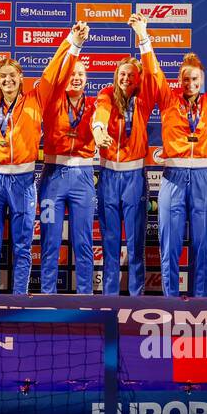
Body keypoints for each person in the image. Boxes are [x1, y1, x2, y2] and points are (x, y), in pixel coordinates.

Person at [0, 22, 84, 295]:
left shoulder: (36, 98)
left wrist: (74, 41)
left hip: (23, 180)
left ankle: (20, 296)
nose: (7, 80)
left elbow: (55, 71)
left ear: (21, 78)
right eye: (2, 77)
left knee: (23, 244)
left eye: (12, 76)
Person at [129, 13, 207, 299]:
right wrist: (143, 35)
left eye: (195, 79)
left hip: (203, 177)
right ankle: (171, 301)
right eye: (185, 79)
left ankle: (201, 302)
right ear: (179, 80)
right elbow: (153, 70)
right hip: (172, 176)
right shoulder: (169, 99)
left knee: (204, 244)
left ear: (202, 80)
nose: (190, 83)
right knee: (170, 243)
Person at [38, 36, 97, 293]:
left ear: (87, 79)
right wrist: (74, 46)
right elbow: (57, 72)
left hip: (83, 176)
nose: (76, 77)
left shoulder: (96, 105)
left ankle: (85, 298)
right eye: (72, 73)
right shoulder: (52, 100)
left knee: (82, 241)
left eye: (81, 74)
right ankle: (47, 296)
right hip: (53, 176)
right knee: (50, 240)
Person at [92, 59, 154, 295]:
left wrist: (143, 35)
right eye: (122, 74)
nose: (126, 79)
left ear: (138, 79)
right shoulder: (107, 94)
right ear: (116, 75)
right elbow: (101, 112)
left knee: (136, 244)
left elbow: (151, 72)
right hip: (108, 176)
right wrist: (98, 131)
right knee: (110, 243)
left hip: (134, 177)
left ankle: (137, 299)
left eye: (131, 75)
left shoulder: (143, 99)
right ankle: (110, 298)